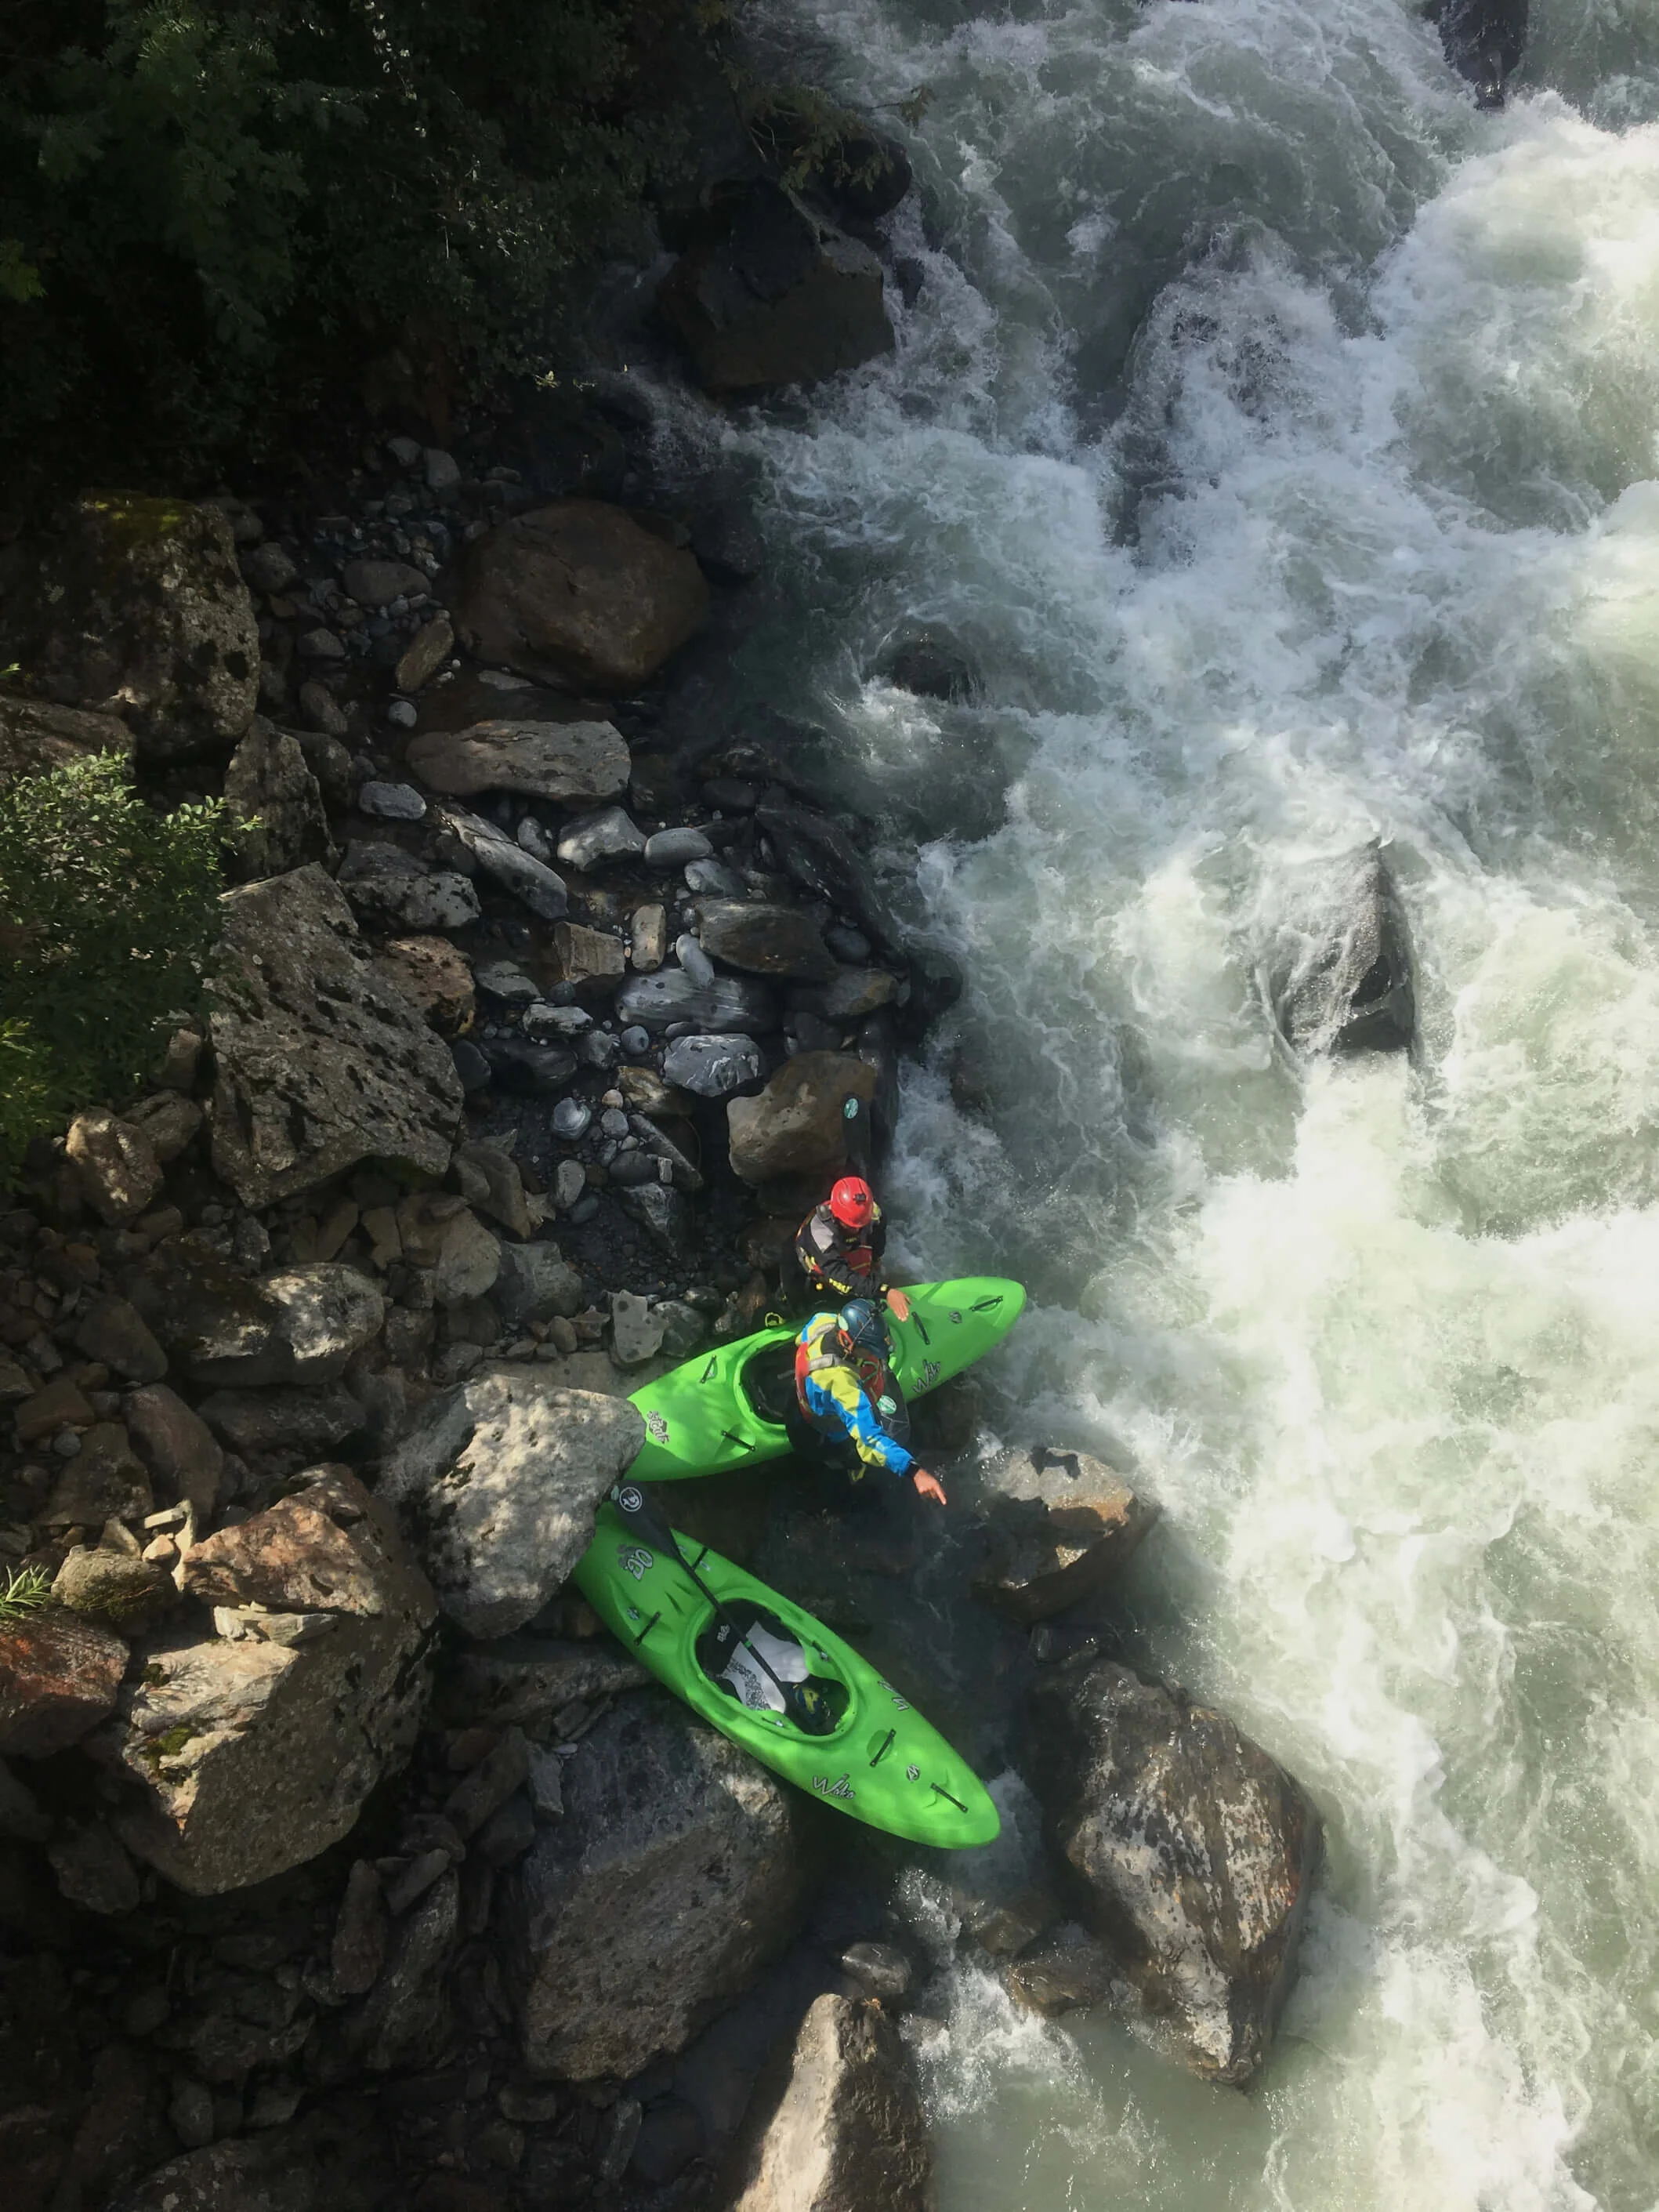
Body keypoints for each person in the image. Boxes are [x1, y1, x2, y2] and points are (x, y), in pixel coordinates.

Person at [788, 1296, 947, 1507]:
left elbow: (801, 1340)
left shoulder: (823, 1321)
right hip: (819, 1435)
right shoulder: (841, 1383)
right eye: (871, 1350)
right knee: (854, 1456)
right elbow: (869, 1439)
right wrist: (915, 1472)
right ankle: (852, 1469)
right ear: (847, 1341)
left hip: (801, 1397)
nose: (876, 1354)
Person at [793, 1175, 911, 1321]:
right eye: (850, 1226)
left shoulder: (873, 1213)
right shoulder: (820, 1234)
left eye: (862, 1225)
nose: (856, 1230)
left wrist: (876, 1259)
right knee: (798, 1296)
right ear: (836, 1216)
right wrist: (885, 1292)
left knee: (866, 1272)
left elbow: (878, 1237)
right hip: (820, 1265)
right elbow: (840, 1274)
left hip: (845, 1251)